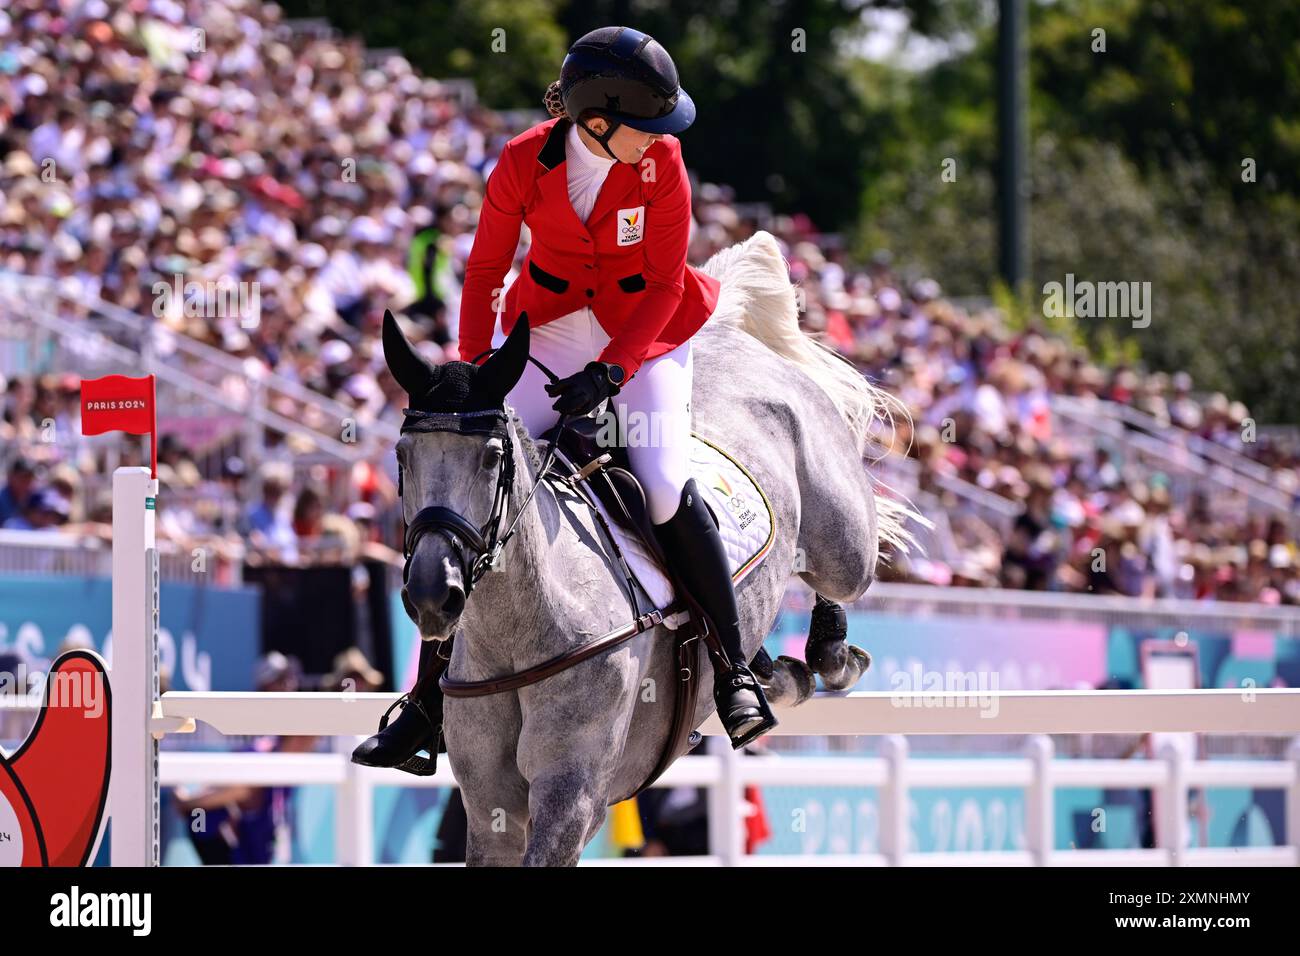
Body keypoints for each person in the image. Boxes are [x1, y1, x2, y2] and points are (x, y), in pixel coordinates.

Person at [354, 26, 775, 777]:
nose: (658, 140)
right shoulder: (522, 161)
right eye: (644, 129)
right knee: (475, 486)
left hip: (644, 335)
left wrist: (613, 373)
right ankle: (425, 702)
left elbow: (669, 284)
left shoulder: (661, 163)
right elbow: (484, 273)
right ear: (599, 121)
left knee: (664, 487)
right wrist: (477, 370)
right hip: (543, 330)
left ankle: (736, 667)